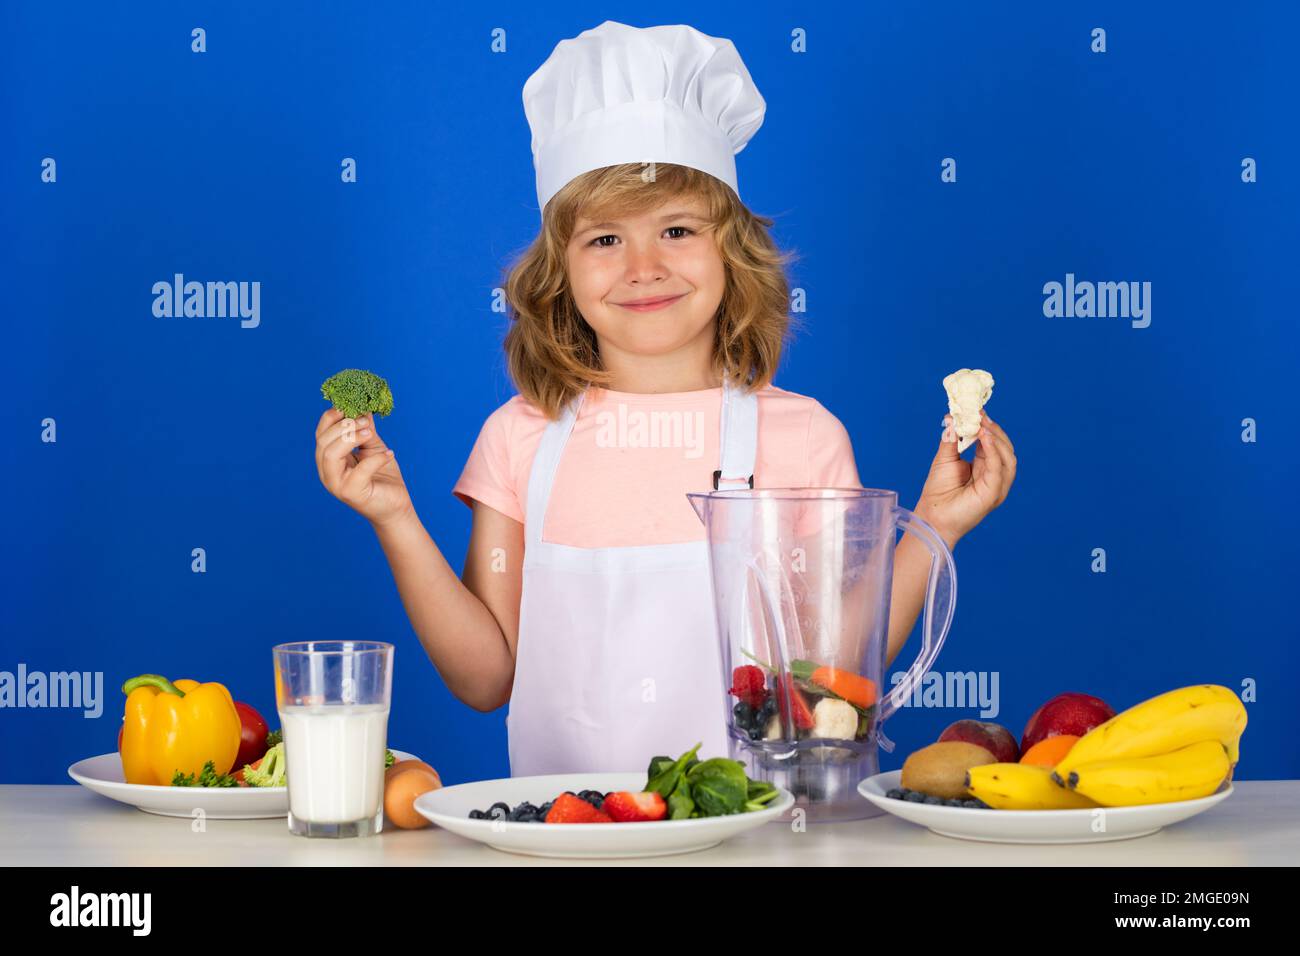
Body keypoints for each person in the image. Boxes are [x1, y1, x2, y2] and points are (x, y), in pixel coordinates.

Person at [314, 21, 1017, 776]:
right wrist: (395, 516)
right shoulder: (520, 437)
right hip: (570, 840)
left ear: (732, 251)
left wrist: (936, 523)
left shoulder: (804, 437)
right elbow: (485, 679)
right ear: (561, 272)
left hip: (756, 841)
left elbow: (826, 677)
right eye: (604, 240)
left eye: (677, 229)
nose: (644, 267)